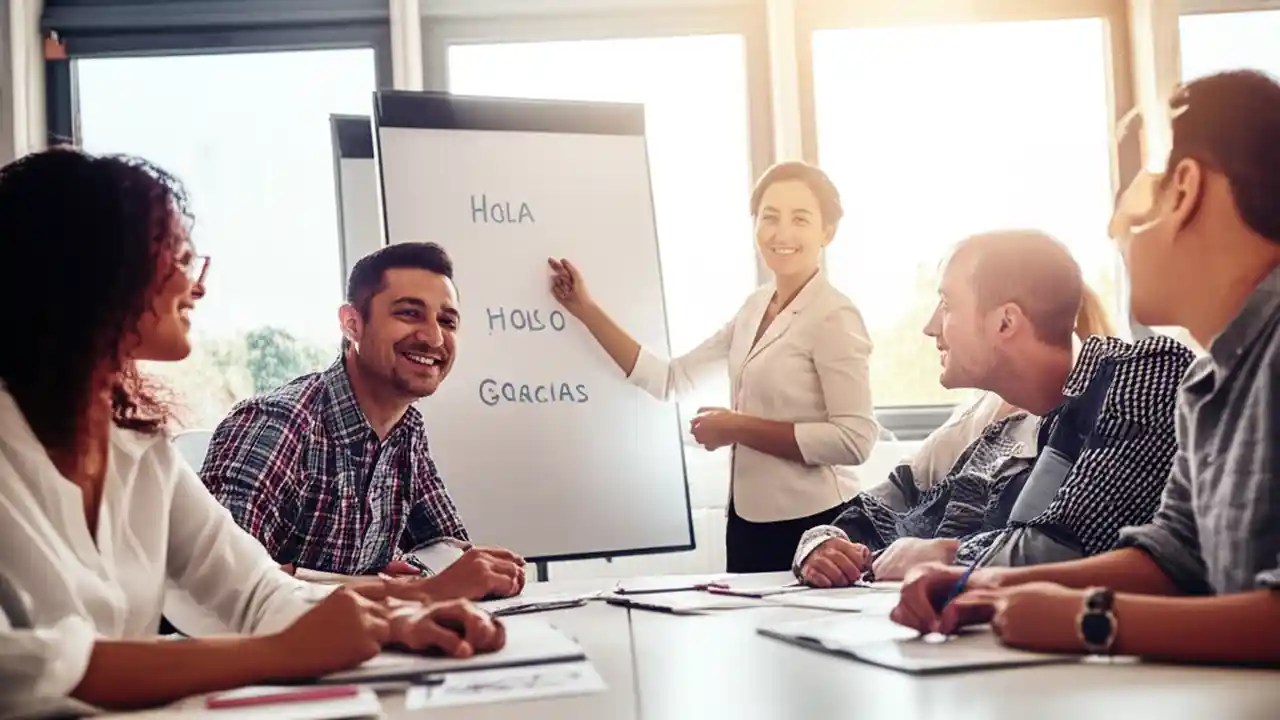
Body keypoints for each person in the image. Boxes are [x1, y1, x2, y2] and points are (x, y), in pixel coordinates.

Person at [0, 148, 504, 714]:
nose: (198, 286)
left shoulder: (139, 452)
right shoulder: (277, 422)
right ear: (85, 268)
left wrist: (399, 617)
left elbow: (254, 588)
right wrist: (276, 653)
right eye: (179, 256)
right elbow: (22, 667)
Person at [891, 69, 1280, 665]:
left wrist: (1093, 618)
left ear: (1184, 190)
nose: (1114, 236)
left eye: (1128, 215)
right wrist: (988, 585)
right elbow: (1172, 557)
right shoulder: (1209, 382)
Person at [796, 231, 1194, 585]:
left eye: (947, 304)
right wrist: (820, 544)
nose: (931, 326)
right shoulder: (999, 436)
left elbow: (1069, 546)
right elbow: (869, 514)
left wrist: (944, 554)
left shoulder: (1142, 373)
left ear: (1005, 323)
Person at [549, 161, 878, 572]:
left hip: (819, 526)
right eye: (769, 217)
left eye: (801, 219)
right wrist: (585, 309)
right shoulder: (754, 307)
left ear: (826, 232)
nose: (782, 233)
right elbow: (670, 378)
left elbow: (855, 439)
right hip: (747, 524)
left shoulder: (835, 315)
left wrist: (737, 427)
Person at [200, 243, 525, 600]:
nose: (434, 337)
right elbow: (219, 585)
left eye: (447, 321)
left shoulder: (407, 430)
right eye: (409, 314)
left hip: (370, 646)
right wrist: (393, 588)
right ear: (352, 324)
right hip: (272, 653)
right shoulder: (277, 424)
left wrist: (421, 572)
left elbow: (446, 545)